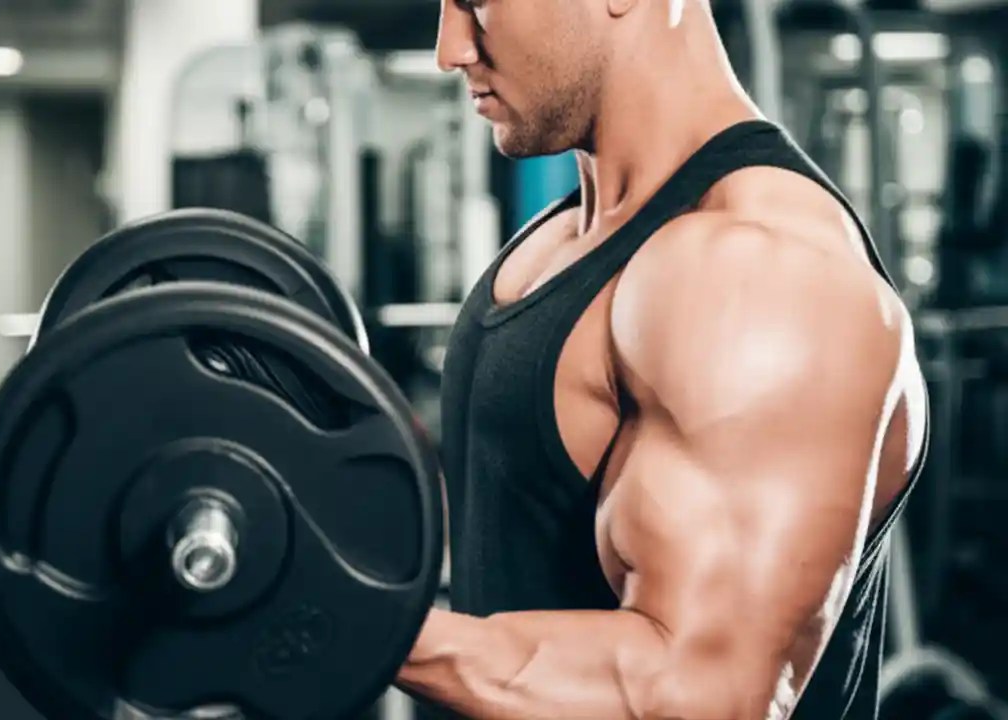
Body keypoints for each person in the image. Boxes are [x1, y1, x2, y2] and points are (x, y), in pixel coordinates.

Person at [394, 0, 929, 718]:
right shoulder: (550, 249)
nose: (450, 49)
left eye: (479, 3)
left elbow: (698, 693)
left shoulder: (758, 271)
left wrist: (369, 631)